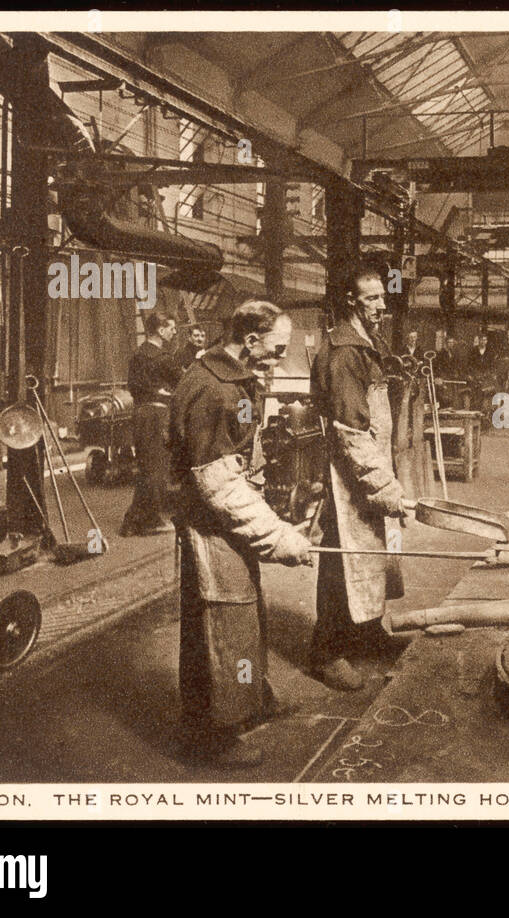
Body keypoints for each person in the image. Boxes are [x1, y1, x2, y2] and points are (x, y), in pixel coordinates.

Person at [169, 300, 313, 768]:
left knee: (244, 610)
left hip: (226, 519)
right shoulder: (210, 389)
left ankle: (247, 702)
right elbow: (219, 486)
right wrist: (280, 538)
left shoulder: (235, 376)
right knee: (219, 622)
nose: (279, 358)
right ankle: (208, 735)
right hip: (209, 523)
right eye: (276, 349)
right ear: (249, 341)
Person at [309, 264, 408, 692]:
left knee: (371, 556)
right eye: (371, 299)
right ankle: (326, 652)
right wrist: (384, 488)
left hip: (370, 468)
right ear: (351, 301)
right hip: (348, 476)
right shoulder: (345, 352)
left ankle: (365, 632)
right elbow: (350, 434)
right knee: (341, 558)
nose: (381, 306)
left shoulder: (366, 342)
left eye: (383, 298)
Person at [120, 311, 181, 536]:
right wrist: (165, 395)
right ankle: (150, 521)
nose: (174, 332)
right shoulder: (163, 358)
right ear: (161, 330)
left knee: (147, 467)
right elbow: (183, 383)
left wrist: (156, 391)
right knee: (158, 470)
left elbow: (133, 387)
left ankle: (134, 521)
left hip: (140, 415)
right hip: (157, 417)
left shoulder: (137, 355)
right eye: (172, 328)